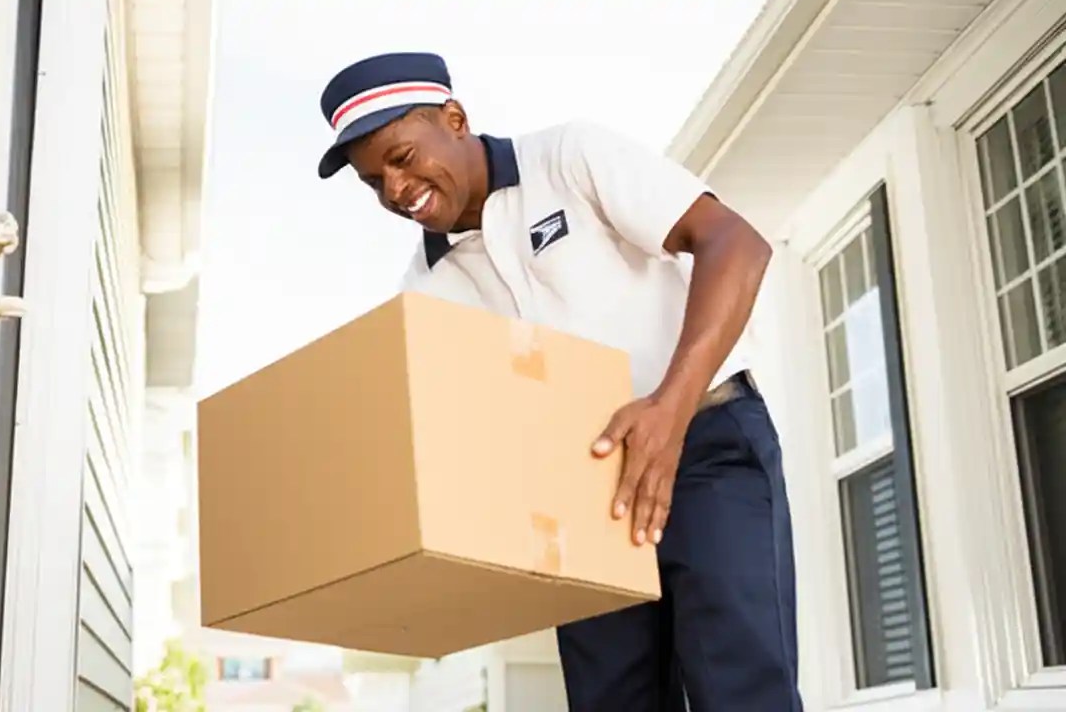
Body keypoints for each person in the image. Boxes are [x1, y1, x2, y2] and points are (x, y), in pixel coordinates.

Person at [316, 51, 802, 712]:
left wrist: (667, 410)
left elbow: (736, 244)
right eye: (375, 182)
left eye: (402, 158)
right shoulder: (427, 288)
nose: (397, 190)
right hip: (583, 496)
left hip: (705, 444)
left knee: (740, 692)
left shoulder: (571, 158)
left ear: (455, 119)